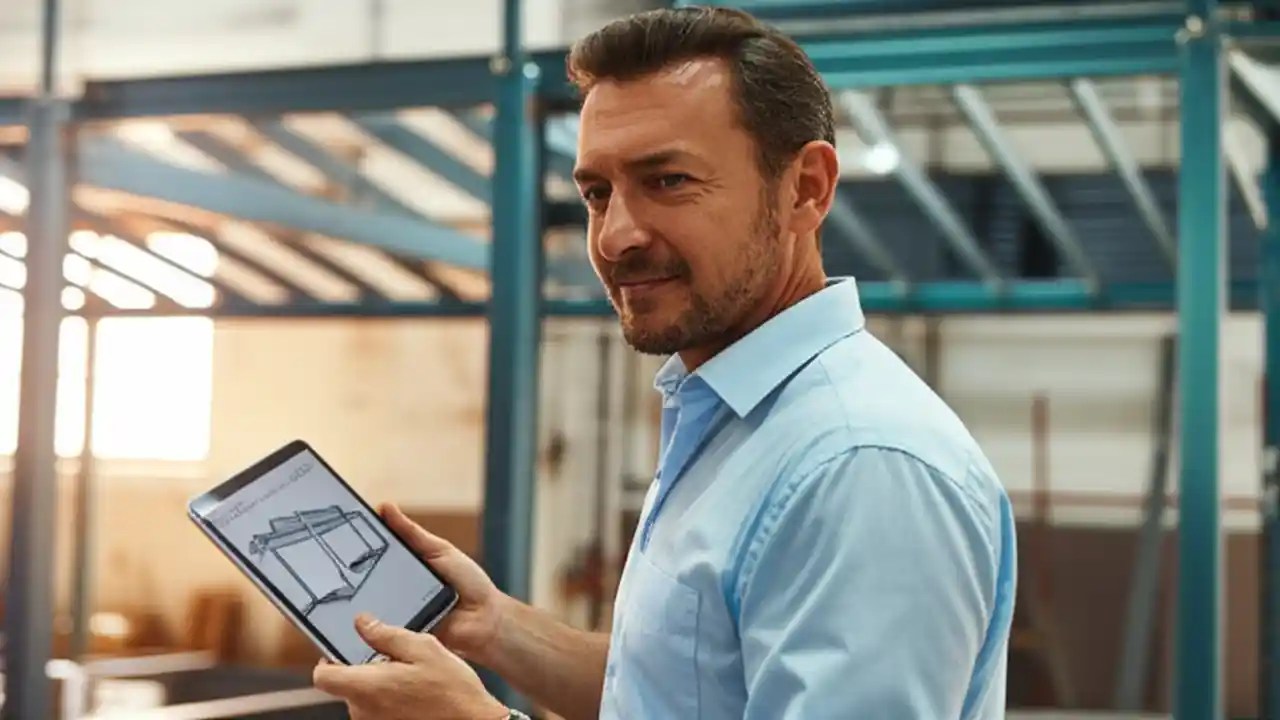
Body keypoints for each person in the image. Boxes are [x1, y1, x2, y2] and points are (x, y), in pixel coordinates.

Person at [313, 6, 1017, 719]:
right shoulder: (734, 420)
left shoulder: (859, 467)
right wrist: (494, 625)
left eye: (669, 180)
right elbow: (674, 694)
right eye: (597, 193)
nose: (615, 235)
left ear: (806, 188)